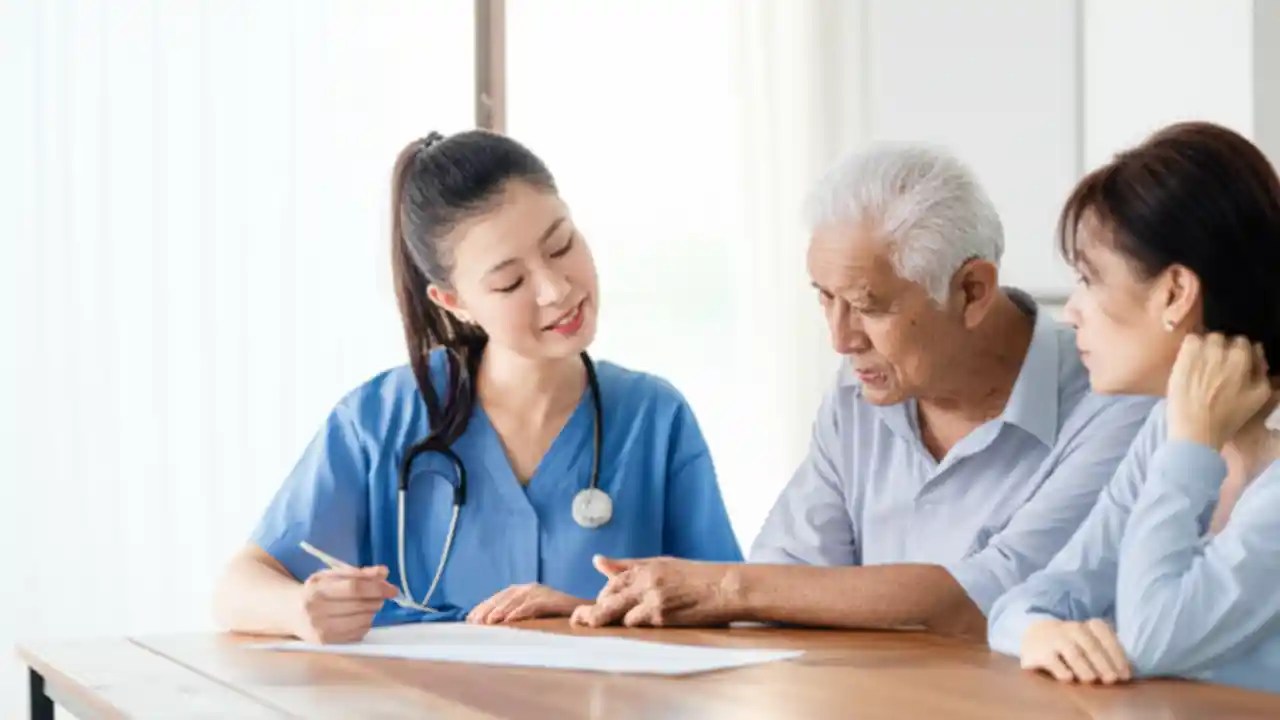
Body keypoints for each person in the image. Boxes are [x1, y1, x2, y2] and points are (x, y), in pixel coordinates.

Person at [571, 143, 1154, 637]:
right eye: (825, 298)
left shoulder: (1117, 403)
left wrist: (725, 585)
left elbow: (994, 597)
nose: (841, 339)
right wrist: (604, 612)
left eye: (868, 307)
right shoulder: (859, 396)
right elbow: (786, 580)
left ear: (973, 291)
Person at [212, 130, 741, 643]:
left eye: (561, 245)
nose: (556, 289)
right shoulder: (381, 420)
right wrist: (302, 609)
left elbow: (729, 609)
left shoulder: (654, 419)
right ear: (454, 302)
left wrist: (586, 615)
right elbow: (237, 589)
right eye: (510, 282)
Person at [987, 121, 1280, 693]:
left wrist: (1192, 448)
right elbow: (1034, 597)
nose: (1071, 312)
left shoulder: (1193, 444)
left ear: (1174, 293)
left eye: (1088, 280)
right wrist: (1038, 635)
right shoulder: (1164, 428)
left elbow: (1153, 636)